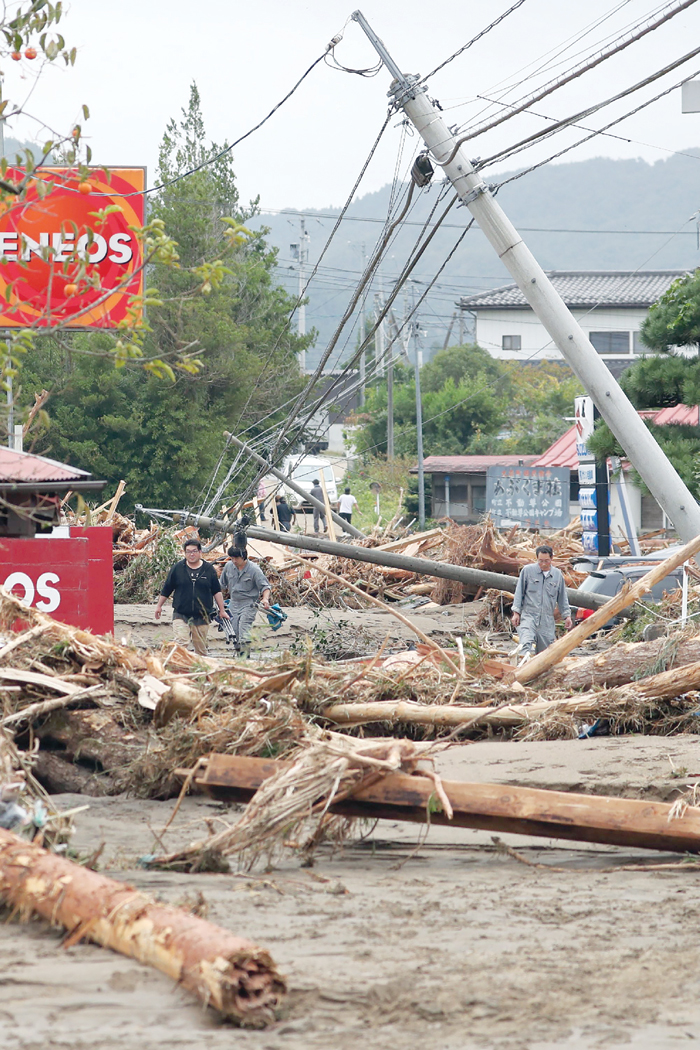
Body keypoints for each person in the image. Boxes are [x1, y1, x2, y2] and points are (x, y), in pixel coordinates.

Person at [155, 538, 229, 656]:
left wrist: (222, 610)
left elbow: (217, 591)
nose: (191, 554)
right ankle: (173, 666)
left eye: (194, 551)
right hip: (181, 613)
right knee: (181, 642)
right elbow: (167, 588)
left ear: (200, 552)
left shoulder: (209, 569)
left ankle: (200, 672)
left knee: (201, 650)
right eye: (188, 552)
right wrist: (159, 606)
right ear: (184, 553)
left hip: (202, 616)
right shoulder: (178, 568)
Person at [511, 544, 572, 657]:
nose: (543, 564)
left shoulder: (557, 575)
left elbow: (562, 597)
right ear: (536, 559)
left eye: (546, 561)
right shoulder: (528, 571)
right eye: (540, 561)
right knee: (525, 643)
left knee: (545, 653)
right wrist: (516, 613)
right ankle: (523, 668)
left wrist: (567, 616)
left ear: (551, 559)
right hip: (529, 615)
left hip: (547, 620)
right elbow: (519, 592)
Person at [220, 546, 272, 658]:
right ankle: (240, 657)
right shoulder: (229, 566)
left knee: (244, 629)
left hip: (249, 603)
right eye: (232, 558)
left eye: (236, 558)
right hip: (233, 603)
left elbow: (265, 587)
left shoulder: (254, 569)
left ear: (243, 557)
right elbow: (221, 584)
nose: (234, 561)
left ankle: (245, 659)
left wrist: (265, 599)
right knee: (234, 632)